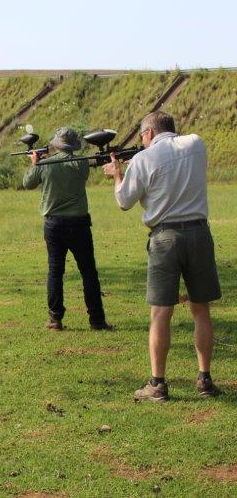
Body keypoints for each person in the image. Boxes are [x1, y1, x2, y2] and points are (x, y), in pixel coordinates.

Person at [102, 111, 221, 402]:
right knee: (201, 309)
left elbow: (124, 201)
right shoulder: (196, 143)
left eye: (143, 137)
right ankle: (205, 379)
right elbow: (171, 166)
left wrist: (119, 175)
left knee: (160, 313)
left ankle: (158, 384)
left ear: (149, 133)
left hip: (165, 237)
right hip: (199, 233)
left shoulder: (143, 159)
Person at [23, 127, 110, 331]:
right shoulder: (81, 163)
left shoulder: (44, 164)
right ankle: (96, 320)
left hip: (54, 225)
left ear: (56, 143)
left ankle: (55, 319)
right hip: (79, 223)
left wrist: (36, 163)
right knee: (88, 272)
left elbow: (27, 183)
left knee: (55, 271)